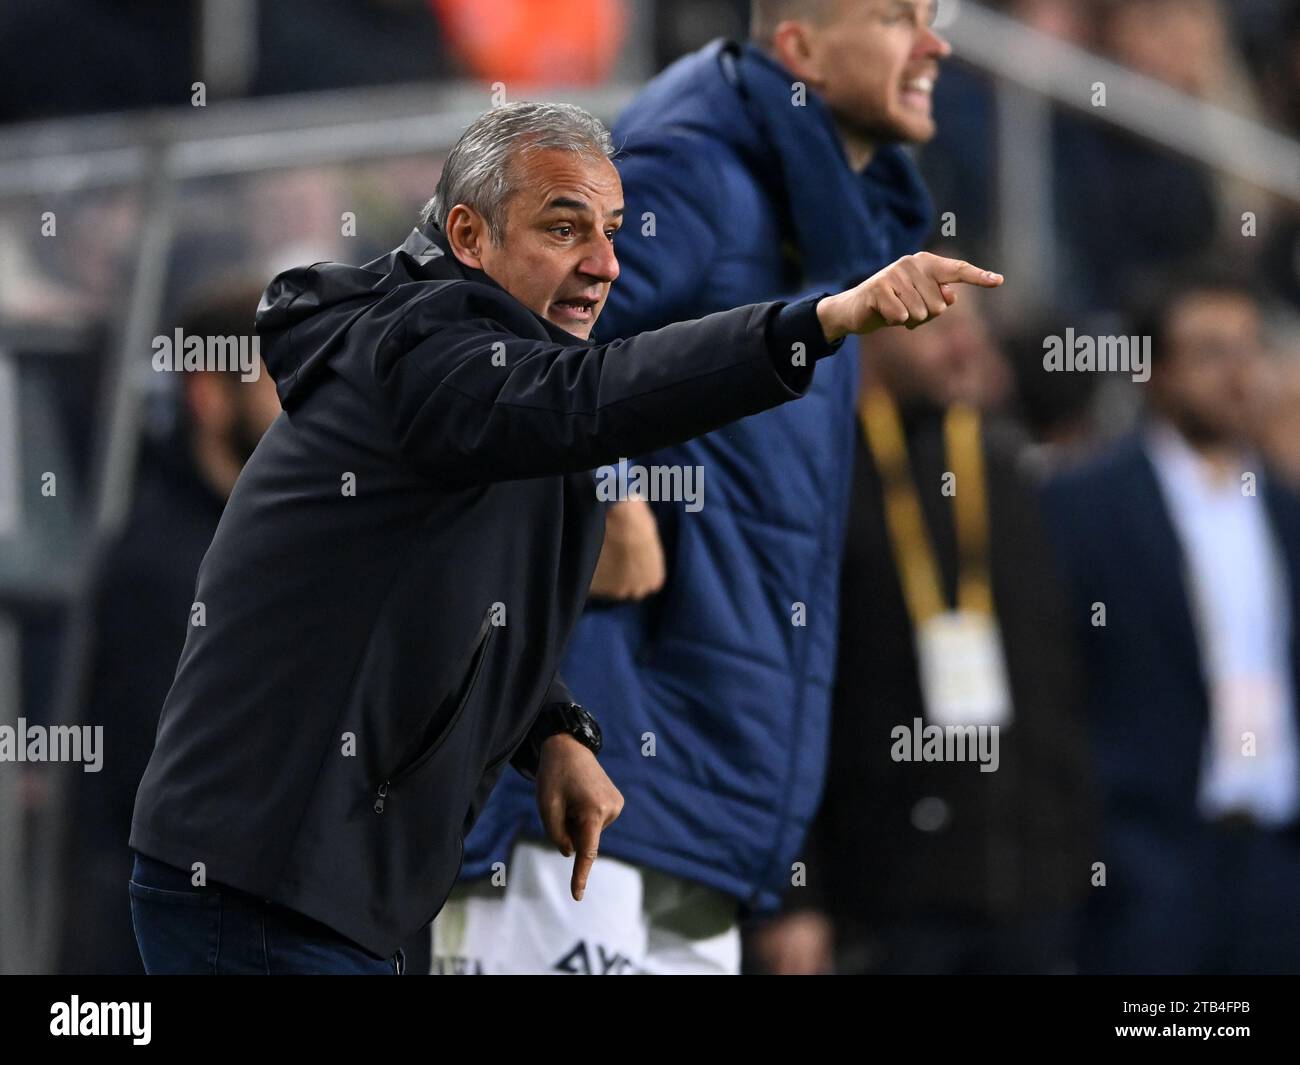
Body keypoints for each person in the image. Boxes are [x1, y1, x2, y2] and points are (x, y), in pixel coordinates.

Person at [126, 100, 1004, 975]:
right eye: (564, 227)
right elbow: (596, 397)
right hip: (263, 882)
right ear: (468, 235)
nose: (604, 265)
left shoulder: (480, 369)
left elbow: (445, 591)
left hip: (313, 881)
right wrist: (816, 323)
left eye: (613, 231)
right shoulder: (429, 354)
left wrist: (552, 731)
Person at [448, 0, 949, 974]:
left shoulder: (811, 205)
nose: (933, 46)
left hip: (686, 771)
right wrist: (606, 486)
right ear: (798, 47)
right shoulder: (695, 165)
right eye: (897, 19)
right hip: (588, 764)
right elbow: (499, 348)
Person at [753, 293, 1093, 975]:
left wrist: (1075, 861)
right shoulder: (818, 478)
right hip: (881, 899)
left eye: (972, 325)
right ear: (867, 332)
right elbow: (776, 699)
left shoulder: (1007, 475)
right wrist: (794, 892)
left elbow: (1057, 681)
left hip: (1031, 892)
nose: (963, 344)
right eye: (936, 326)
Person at [1042, 271, 1300, 974]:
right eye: (1212, 353)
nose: (1240, 374)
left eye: (1252, 350)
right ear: (1153, 370)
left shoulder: (1286, 510)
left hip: (1276, 863)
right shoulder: (1083, 505)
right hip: (1147, 860)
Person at [61, 281, 279, 974]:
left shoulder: (278, 533)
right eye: (276, 376)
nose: (301, 401)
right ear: (209, 396)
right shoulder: (160, 563)